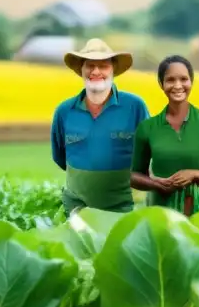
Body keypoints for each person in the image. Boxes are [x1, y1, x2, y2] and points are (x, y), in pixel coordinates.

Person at [50, 38, 149, 216]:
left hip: (125, 210)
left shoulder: (135, 107)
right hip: (76, 211)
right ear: (81, 69)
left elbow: (149, 154)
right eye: (90, 66)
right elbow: (60, 158)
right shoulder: (64, 112)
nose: (96, 71)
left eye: (103, 66)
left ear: (113, 70)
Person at [130, 55, 199, 216]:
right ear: (161, 84)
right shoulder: (147, 128)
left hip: (198, 208)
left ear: (191, 82)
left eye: (184, 79)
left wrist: (193, 174)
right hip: (159, 210)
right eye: (170, 80)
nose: (178, 85)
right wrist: (156, 183)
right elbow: (135, 176)